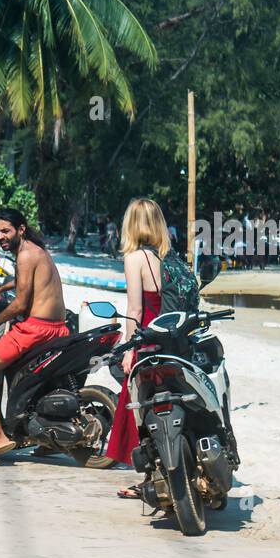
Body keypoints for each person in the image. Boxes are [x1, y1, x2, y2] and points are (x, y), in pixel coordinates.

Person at [0, 208, 68, 467]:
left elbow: (21, 303)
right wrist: (1, 287)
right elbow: (26, 282)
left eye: (6, 231)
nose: (0, 236)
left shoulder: (24, 255)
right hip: (56, 327)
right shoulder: (35, 250)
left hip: (35, 329)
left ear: (20, 229)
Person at [104, 198, 170, 497]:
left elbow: (135, 309)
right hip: (171, 337)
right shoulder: (166, 257)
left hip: (149, 338)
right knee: (161, 404)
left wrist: (130, 349)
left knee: (136, 405)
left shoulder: (135, 258)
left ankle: (147, 478)